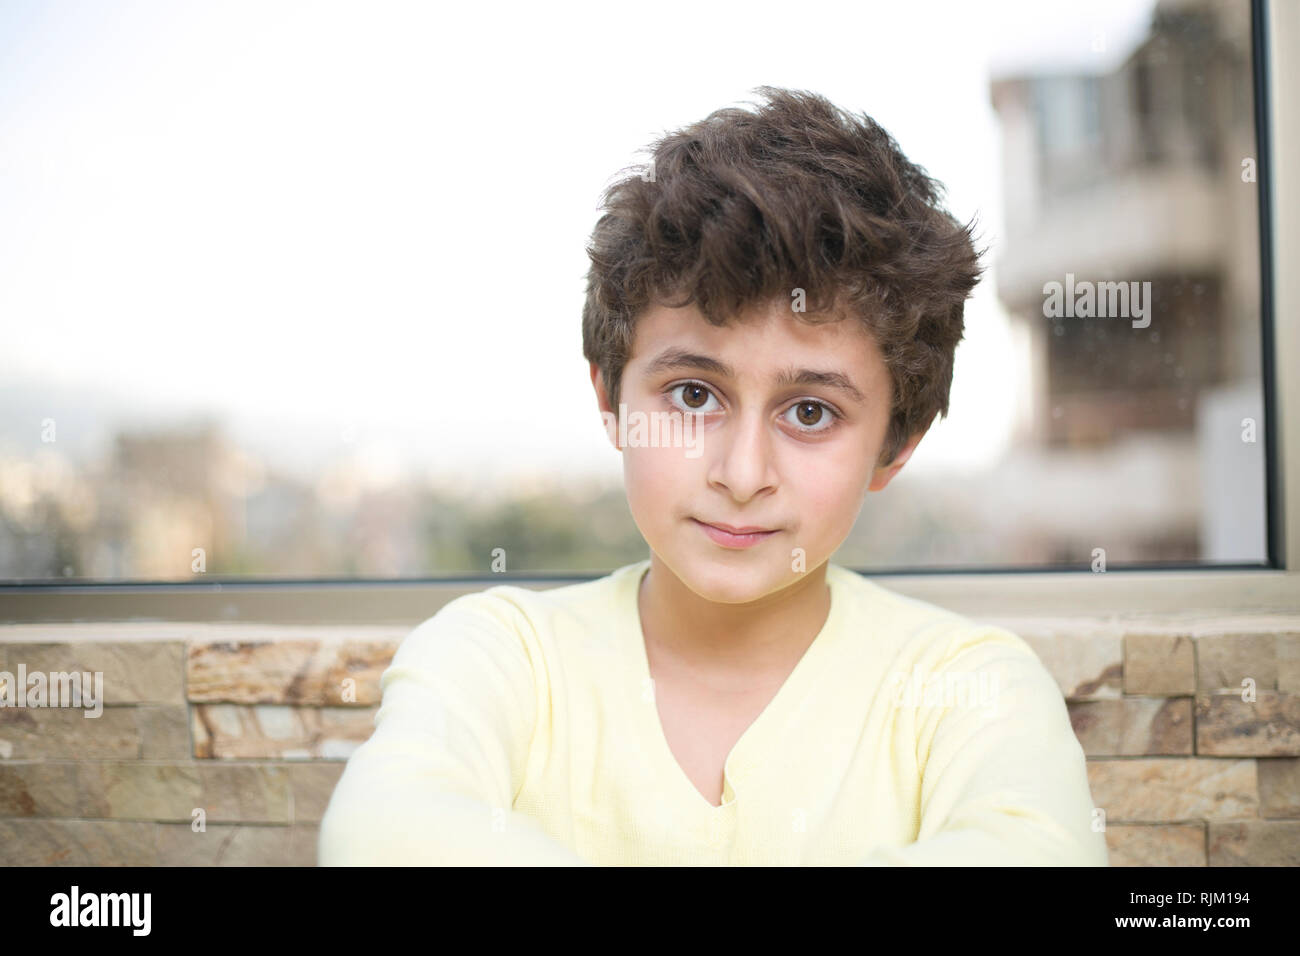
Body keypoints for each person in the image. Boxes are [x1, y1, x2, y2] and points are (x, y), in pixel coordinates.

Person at [317, 86, 1109, 866]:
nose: (741, 473)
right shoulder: (503, 660)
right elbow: (384, 828)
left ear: (895, 446)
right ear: (610, 397)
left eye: (809, 413)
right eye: (694, 396)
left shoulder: (969, 691)